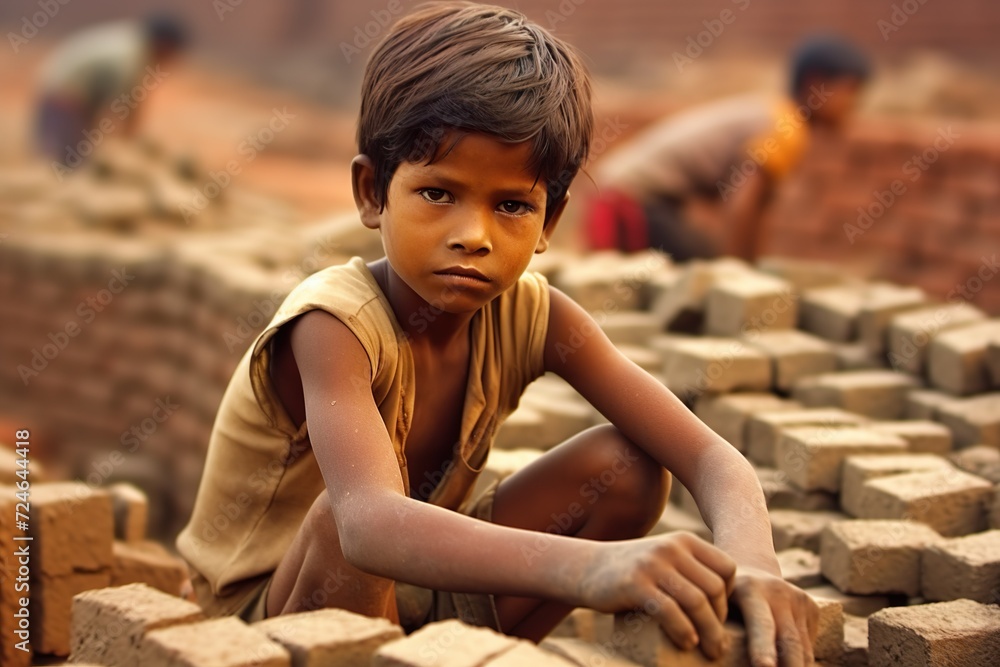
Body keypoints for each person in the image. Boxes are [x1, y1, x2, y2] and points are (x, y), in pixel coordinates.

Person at [177, 4, 818, 664]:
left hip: (414, 594)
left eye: (511, 205)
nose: (473, 235)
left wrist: (755, 563)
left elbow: (712, 458)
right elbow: (368, 526)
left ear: (549, 221)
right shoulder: (331, 324)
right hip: (268, 625)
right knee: (346, 520)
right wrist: (590, 568)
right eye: (438, 193)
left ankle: (466, 655)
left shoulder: (537, 318)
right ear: (372, 192)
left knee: (625, 468)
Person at [586, 35, 871, 262]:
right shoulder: (788, 127)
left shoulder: (775, 115)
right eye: (850, 93)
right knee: (703, 265)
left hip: (627, 190)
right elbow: (742, 205)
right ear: (815, 83)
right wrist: (735, 276)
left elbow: (758, 210)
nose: (853, 107)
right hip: (629, 200)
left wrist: (751, 266)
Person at [34, 14, 187, 168]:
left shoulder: (130, 42)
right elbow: (125, 103)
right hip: (64, 98)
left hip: (58, 90)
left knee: (69, 157)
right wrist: (129, 142)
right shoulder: (129, 55)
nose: (170, 60)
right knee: (68, 161)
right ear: (164, 44)